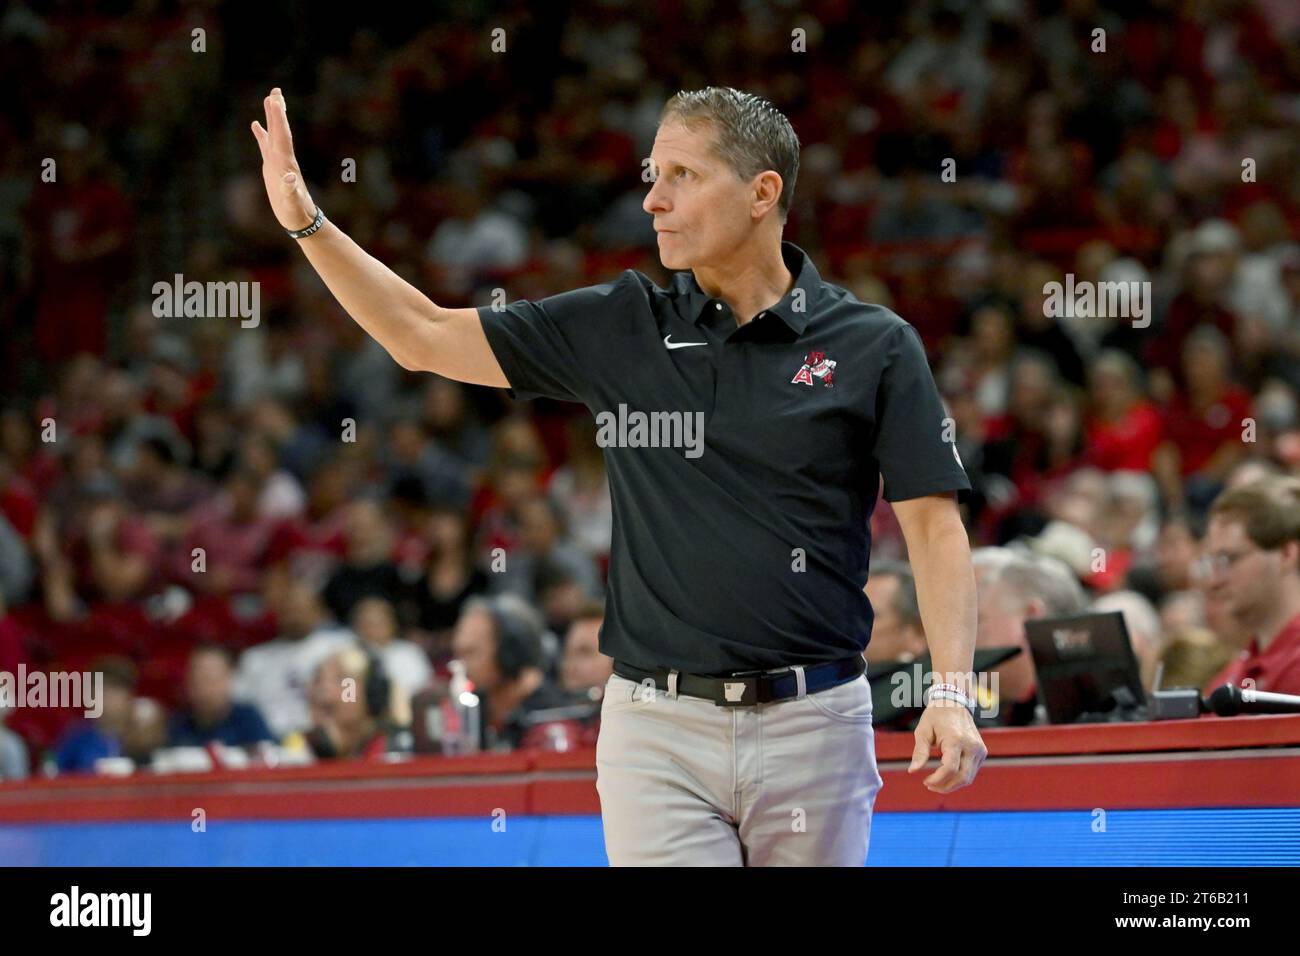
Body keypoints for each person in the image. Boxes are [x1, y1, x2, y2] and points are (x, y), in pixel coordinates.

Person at [252, 84, 985, 867]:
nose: (652, 201)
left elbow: (934, 527)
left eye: (682, 176)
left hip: (816, 724)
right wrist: (307, 221)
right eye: (651, 173)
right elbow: (420, 334)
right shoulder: (621, 325)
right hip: (656, 729)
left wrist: (950, 690)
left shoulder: (874, 344)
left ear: (762, 193)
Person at [1199, 476, 1300, 697]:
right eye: (1212, 563)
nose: (1214, 581)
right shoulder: (1235, 673)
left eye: (1229, 559)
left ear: (1286, 554)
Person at [450, 594, 573, 751]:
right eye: (458, 653)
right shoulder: (471, 708)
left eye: (471, 652)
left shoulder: (552, 715)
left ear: (510, 651)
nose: (460, 665)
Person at [165, 643, 275, 748]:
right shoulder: (178, 725)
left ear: (229, 679)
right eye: (197, 679)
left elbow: (268, 758)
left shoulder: (249, 720)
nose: (203, 687)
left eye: (210, 679)